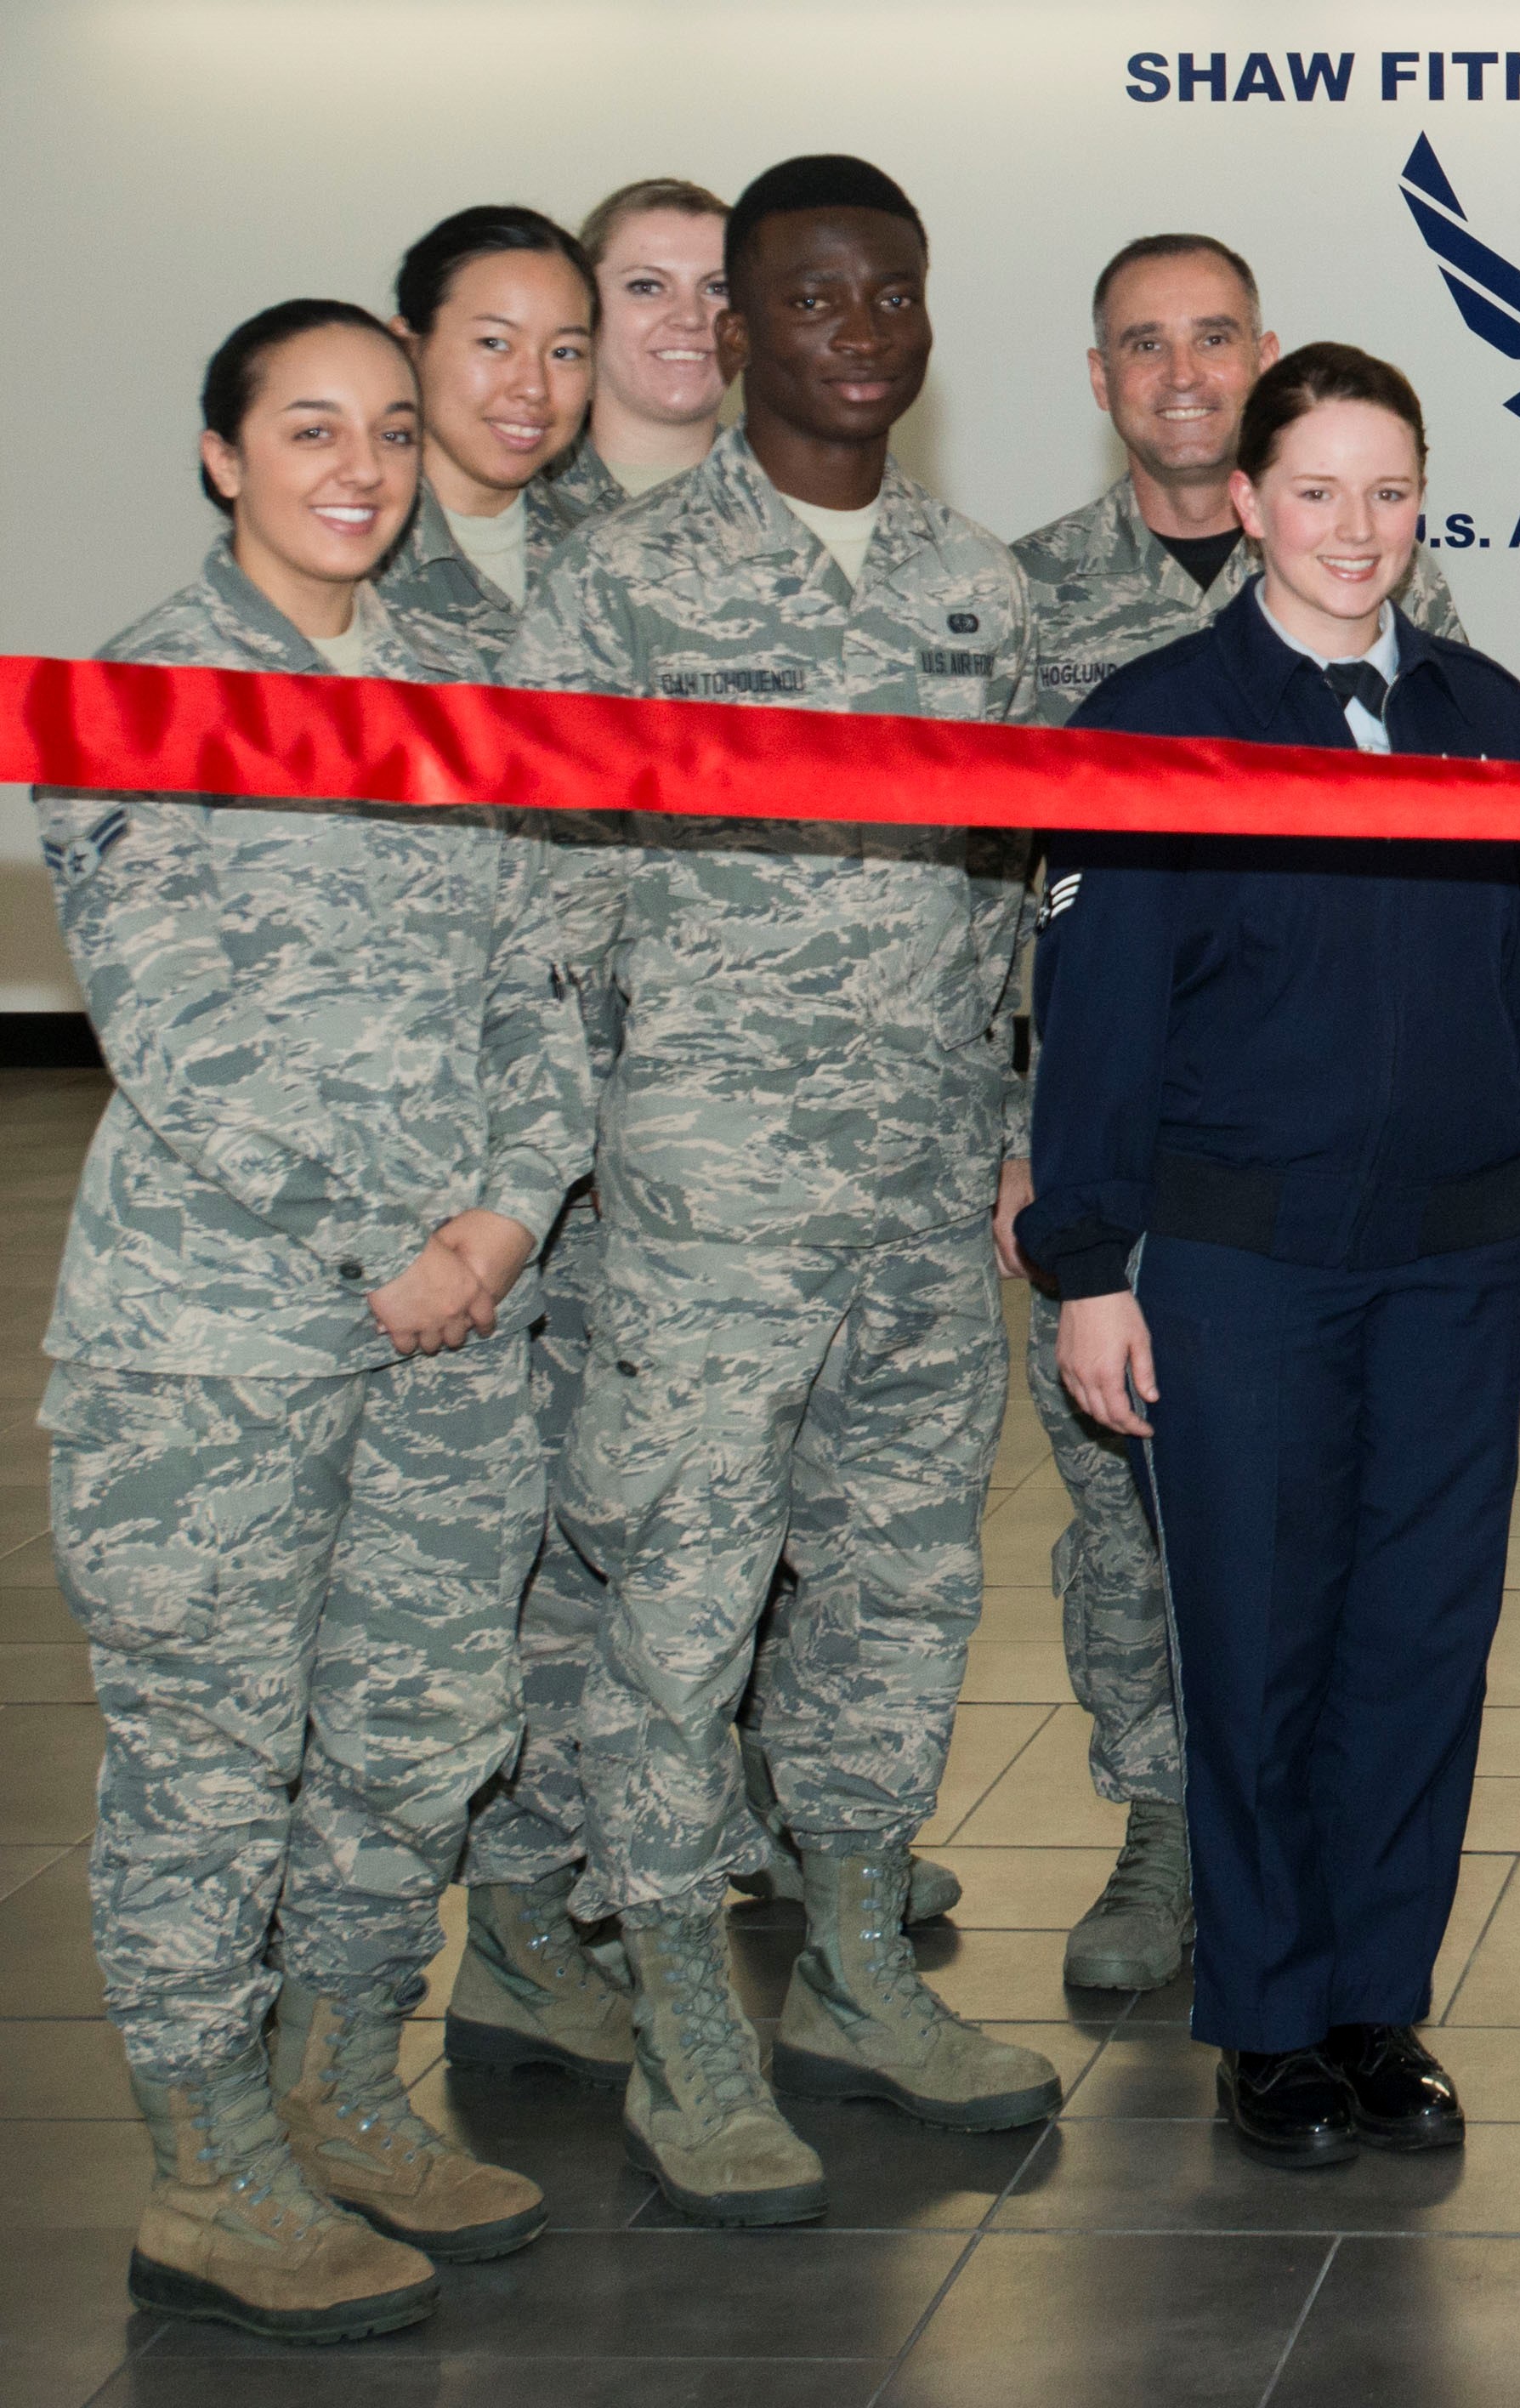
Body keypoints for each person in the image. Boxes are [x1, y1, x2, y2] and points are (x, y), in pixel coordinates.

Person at [505, 153, 1063, 2227]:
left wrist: (1017, 1128)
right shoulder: (620, 589)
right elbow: (546, 915)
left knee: (903, 1588)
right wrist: (561, 1180)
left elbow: (1017, 896)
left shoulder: (978, 590)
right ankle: (679, 2005)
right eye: (813, 299)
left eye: (892, 295)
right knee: (677, 1600)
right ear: (739, 330)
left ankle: (846, 1963)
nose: (860, 331)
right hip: (703, 1203)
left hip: (921, 1195)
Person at [49, 298, 586, 2341]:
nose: (356, 465)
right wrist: (394, 1234)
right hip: (219, 1337)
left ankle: (344, 2087)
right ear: (222, 456)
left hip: (460, 1316)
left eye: (383, 428)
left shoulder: (474, 681)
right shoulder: (135, 688)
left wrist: (509, 1214)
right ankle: (206, 2163)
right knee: (212, 1754)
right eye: (305, 429)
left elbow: (541, 975)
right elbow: (172, 1025)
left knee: (423, 1720)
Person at [1025, 344, 1520, 2171]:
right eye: (1319, 489)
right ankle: (1269, 2018)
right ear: (1249, 503)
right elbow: (1095, 1020)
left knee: (1422, 1641)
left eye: (1390, 488)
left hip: (1452, 1260)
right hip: (1237, 1267)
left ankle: (1375, 2001)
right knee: (1260, 1641)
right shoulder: (1151, 720)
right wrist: (1088, 1266)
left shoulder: (1490, 717)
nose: (1356, 529)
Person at [1007, 230, 1468, 1998]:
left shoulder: (1445, 676)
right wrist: (1050, 1179)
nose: (1181, 372)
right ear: (1101, 375)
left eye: (1215, 339)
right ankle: (1171, 1847)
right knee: (1166, 1550)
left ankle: (1339, 1953)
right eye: (1143, 343)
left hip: (1388, 1214)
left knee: (1372, 1596)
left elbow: (1463, 953)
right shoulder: (1040, 608)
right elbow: (1030, 919)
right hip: (1154, 1181)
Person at [450, 181, 724, 2087]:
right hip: (531, 1143)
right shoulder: (487, 548)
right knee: (552, 1545)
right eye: (641, 290)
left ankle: (702, 1849)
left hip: (718, 1146)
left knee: (703, 1534)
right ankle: (533, 1904)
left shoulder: (766, 545)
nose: (681, 324)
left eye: (720, 290)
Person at [371, 207, 593, 648]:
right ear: (406, 348)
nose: (534, 388)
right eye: (494, 343)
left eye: (565, 353)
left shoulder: (616, 552)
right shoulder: (340, 550)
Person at [532, 179, 729, 532]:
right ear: (584, 307)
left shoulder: (806, 501)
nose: (690, 317)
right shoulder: (508, 504)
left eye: (718, 288)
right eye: (646, 287)